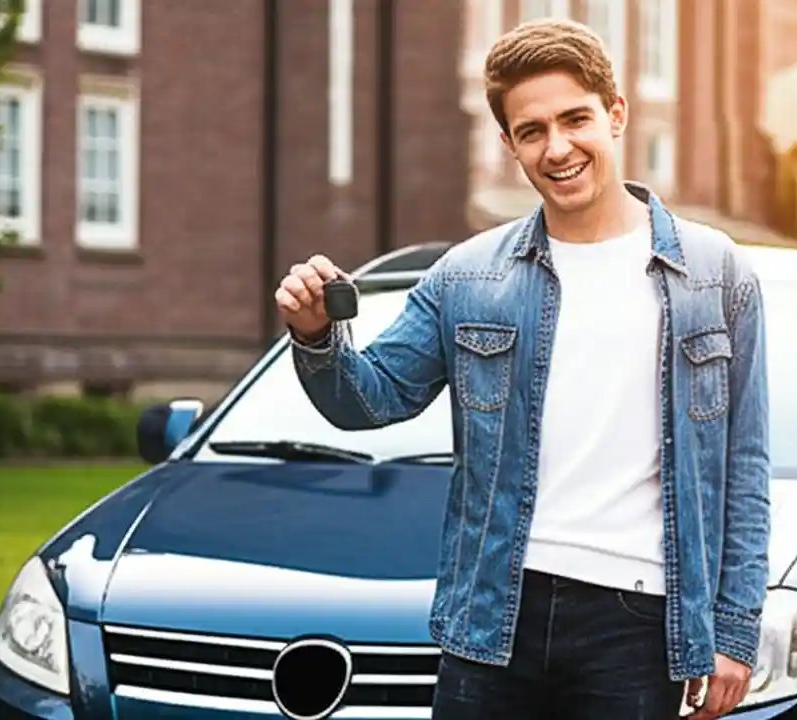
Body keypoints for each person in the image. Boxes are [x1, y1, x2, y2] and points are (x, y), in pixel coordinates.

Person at [274, 17, 771, 720]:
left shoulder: (717, 276)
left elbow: (743, 472)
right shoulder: (469, 276)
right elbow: (372, 400)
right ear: (509, 145)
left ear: (616, 114)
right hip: (492, 618)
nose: (558, 148)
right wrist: (317, 334)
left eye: (576, 120)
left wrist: (733, 633)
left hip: (636, 624)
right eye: (532, 131)